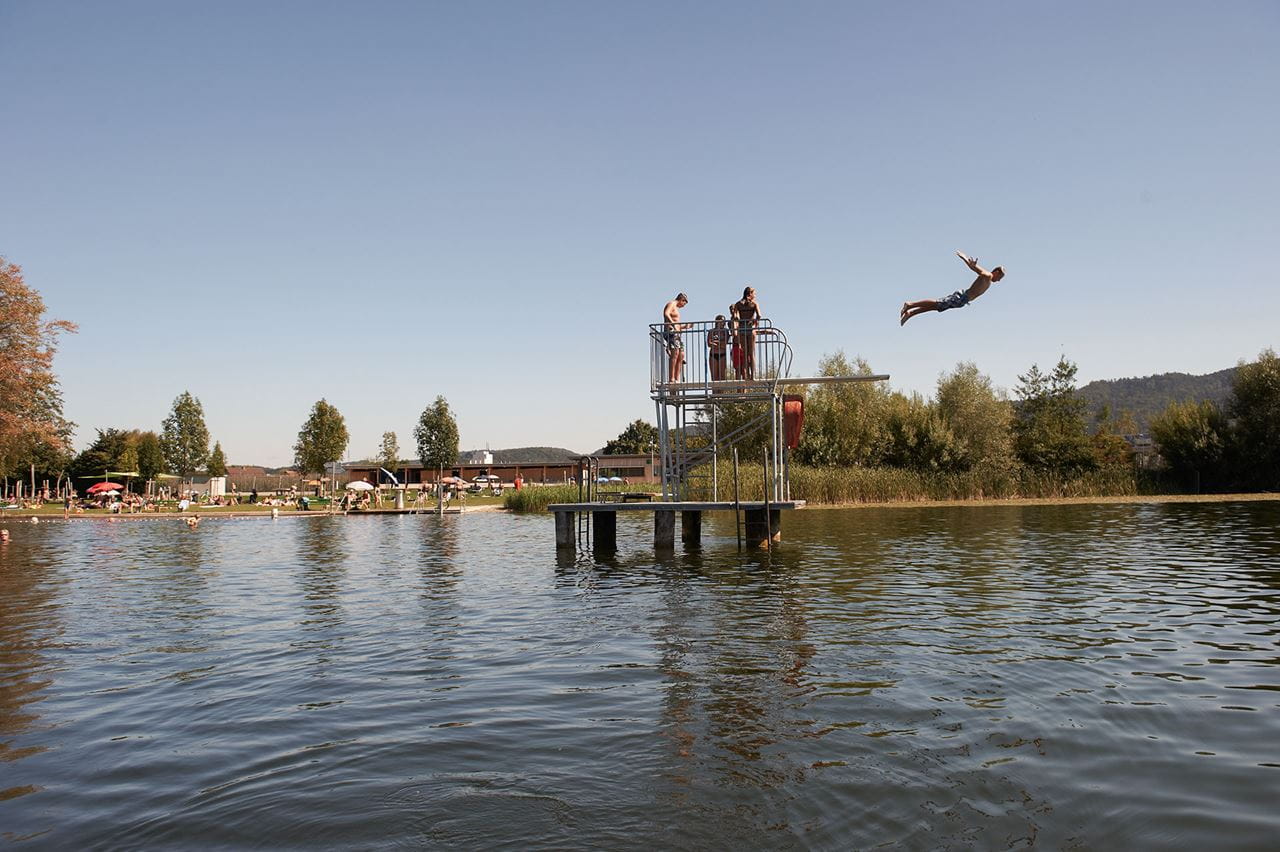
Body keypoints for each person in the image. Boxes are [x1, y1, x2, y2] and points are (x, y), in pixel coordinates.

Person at [901, 252, 1007, 325]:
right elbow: (975, 268)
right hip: (962, 297)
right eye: (1000, 277)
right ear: (996, 272)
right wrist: (966, 259)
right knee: (938, 303)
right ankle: (910, 305)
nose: (999, 280)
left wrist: (972, 265)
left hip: (963, 300)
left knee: (937, 307)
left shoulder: (988, 278)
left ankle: (911, 313)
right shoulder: (988, 275)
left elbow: (975, 268)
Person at [730, 286, 763, 380]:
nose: (755, 295)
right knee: (751, 353)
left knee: (744, 354)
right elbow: (759, 315)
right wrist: (755, 321)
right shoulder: (754, 304)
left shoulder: (738, 304)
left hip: (742, 329)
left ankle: (746, 375)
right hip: (750, 328)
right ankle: (752, 375)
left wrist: (738, 319)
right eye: (754, 293)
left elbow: (735, 316)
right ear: (750, 294)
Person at [662, 293, 689, 383]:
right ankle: (671, 378)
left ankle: (677, 378)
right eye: (685, 303)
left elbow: (677, 324)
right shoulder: (671, 304)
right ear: (682, 300)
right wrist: (673, 324)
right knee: (675, 354)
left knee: (681, 355)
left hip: (676, 334)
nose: (684, 306)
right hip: (671, 332)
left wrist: (685, 327)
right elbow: (666, 313)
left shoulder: (676, 308)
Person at [707, 314, 731, 381]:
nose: (723, 323)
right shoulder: (711, 331)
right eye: (722, 321)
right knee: (714, 377)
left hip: (722, 355)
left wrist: (715, 343)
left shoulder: (725, 331)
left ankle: (721, 391)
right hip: (713, 355)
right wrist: (720, 343)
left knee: (722, 376)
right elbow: (709, 344)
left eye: (724, 321)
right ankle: (714, 391)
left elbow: (725, 343)